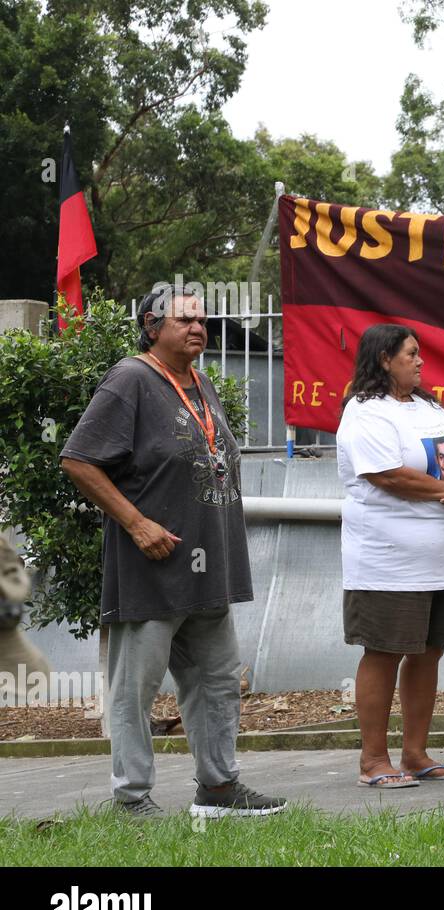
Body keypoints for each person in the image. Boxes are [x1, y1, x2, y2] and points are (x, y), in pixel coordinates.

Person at [60, 287, 286, 818]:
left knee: (217, 683)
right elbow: (79, 459)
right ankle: (132, 798)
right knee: (134, 690)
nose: (198, 328)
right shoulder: (130, 380)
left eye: (203, 320)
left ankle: (219, 789)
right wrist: (136, 523)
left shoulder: (201, 382)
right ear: (151, 324)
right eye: (185, 319)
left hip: (209, 571)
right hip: (153, 570)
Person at [336, 324, 444, 788]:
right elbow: (387, 475)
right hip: (388, 561)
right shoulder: (364, 412)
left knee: (429, 651)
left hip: (440, 560)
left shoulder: (430, 408)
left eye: (420, 355)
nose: (420, 362)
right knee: (383, 652)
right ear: (384, 359)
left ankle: (415, 754)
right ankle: (373, 761)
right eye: (411, 354)